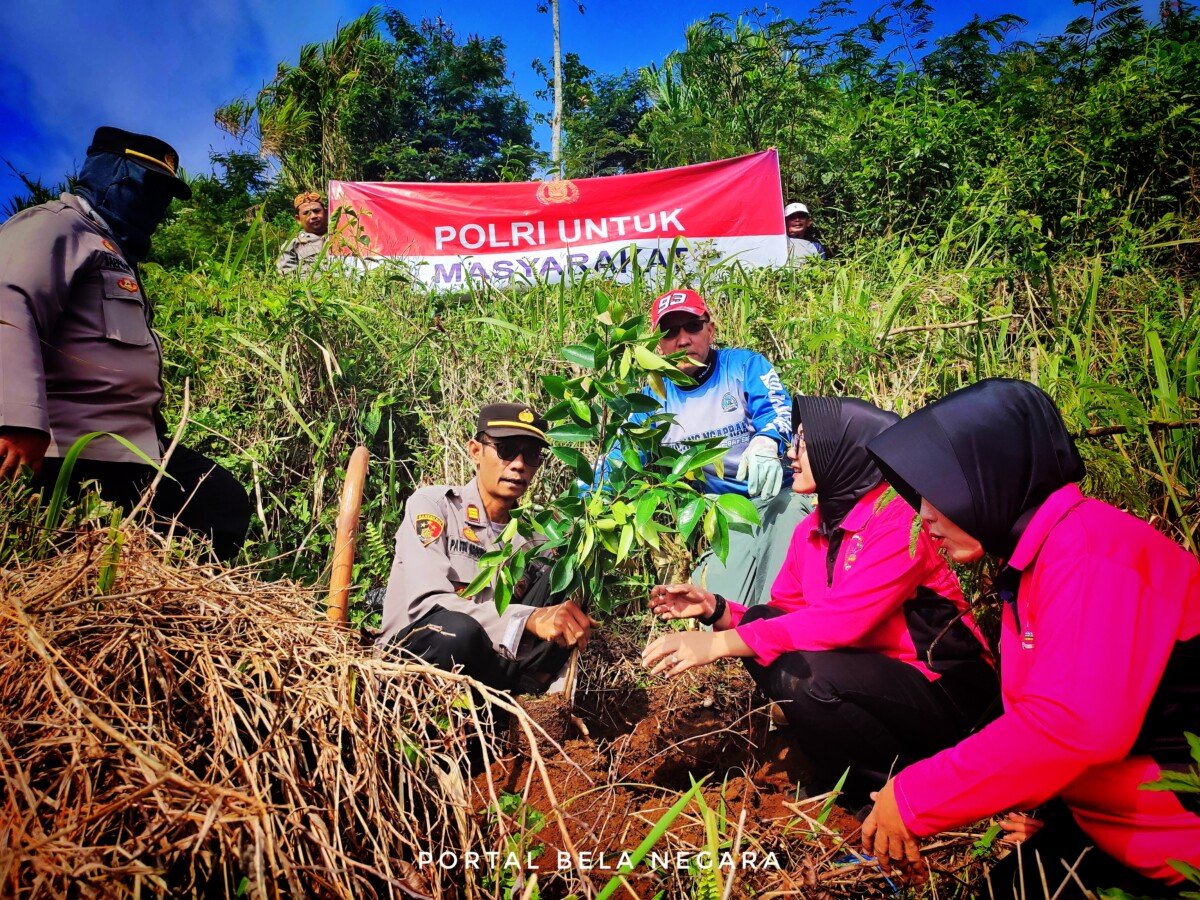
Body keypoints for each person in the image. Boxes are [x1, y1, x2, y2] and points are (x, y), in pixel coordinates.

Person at [861, 378, 1200, 895]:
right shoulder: (1038, 560)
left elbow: (1074, 725)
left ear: (992, 476)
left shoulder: (1090, 553)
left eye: (939, 492)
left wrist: (911, 798)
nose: (924, 515)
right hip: (1114, 825)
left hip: (1176, 847)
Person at [643, 395, 997, 807]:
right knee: (762, 619)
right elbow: (786, 616)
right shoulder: (813, 529)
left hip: (947, 690)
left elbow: (839, 623)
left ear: (842, 449)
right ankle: (844, 766)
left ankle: (887, 789)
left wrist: (716, 645)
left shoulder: (900, 521)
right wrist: (716, 609)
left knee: (808, 679)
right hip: (878, 678)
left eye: (804, 444)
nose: (790, 454)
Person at [0, 126, 250, 562]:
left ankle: (160, 599)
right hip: (69, 447)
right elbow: (9, 301)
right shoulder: (56, 226)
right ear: (110, 173)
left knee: (219, 503)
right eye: (149, 187)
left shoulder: (114, 251)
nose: (159, 205)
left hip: (131, 447)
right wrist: (19, 420)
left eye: (166, 195)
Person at [601, 288, 813, 606]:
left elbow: (778, 410)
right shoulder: (652, 400)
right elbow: (620, 457)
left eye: (693, 327)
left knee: (778, 596)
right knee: (720, 613)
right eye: (670, 332)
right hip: (726, 515)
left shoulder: (744, 367)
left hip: (779, 499)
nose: (683, 340)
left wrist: (767, 441)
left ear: (710, 329)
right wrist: (592, 495)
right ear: (657, 344)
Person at [377, 403, 593, 695]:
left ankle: (533, 697)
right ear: (475, 451)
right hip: (420, 656)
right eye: (505, 449)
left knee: (572, 566)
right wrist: (526, 618)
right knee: (459, 631)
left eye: (530, 455)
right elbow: (428, 606)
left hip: (492, 668)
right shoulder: (434, 507)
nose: (518, 464)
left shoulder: (537, 539)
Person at [276, 191, 328, 275]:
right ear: (298, 219)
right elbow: (286, 276)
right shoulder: (292, 244)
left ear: (325, 213)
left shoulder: (343, 236)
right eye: (306, 213)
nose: (313, 216)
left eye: (317, 211)